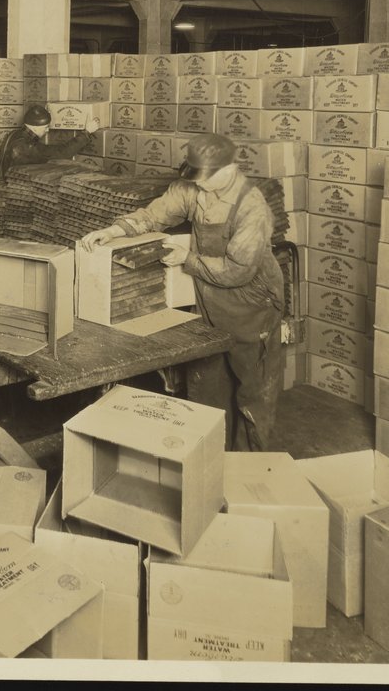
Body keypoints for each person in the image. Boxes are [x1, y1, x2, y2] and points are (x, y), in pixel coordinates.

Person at [79, 133, 285, 452]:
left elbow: (238, 271)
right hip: (208, 299)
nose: (199, 185)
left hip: (251, 304)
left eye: (206, 178)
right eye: (196, 177)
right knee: (207, 389)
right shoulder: (194, 187)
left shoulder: (251, 207)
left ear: (230, 168)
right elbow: (155, 214)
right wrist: (114, 231)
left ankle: (249, 465)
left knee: (252, 392)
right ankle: (210, 461)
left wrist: (187, 259)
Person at [0, 103, 101, 178]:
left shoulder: (15, 135)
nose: (47, 130)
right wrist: (87, 132)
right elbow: (62, 153)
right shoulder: (25, 146)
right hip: (13, 186)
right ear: (35, 127)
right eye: (46, 127)